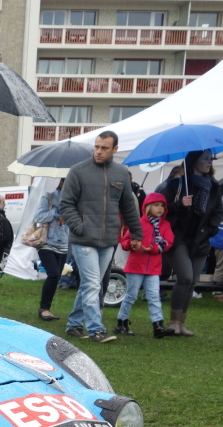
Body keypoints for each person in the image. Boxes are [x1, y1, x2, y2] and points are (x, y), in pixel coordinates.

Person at [59, 131, 143, 343]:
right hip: (83, 239)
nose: (98, 151)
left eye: (104, 148)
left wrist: (137, 233)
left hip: (108, 240)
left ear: (115, 149)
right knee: (93, 284)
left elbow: (128, 206)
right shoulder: (78, 171)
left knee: (91, 283)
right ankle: (96, 329)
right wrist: (79, 227)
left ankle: (74, 324)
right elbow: (65, 204)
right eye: (96, 146)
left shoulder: (121, 172)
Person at [158, 150, 223, 336]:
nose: (209, 162)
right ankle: (173, 322)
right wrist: (179, 204)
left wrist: (212, 229)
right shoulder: (177, 184)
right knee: (185, 277)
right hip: (179, 238)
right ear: (194, 161)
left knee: (192, 282)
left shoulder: (213, 186)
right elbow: (161, 208)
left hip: (201, 239)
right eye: (205, 158)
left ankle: (181, 323)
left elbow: (218, 210)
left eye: (210, 159)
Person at [115, 193, 174, 338]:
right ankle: (121, 322)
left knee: (154, 296)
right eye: (156, 205)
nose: (160, 208)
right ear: (147, 207)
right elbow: (125, 242)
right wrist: (132, 244)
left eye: (162, 206)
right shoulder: (139, 223)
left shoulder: (165, 225)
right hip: (136, 266)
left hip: (153, 267)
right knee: (131, 296)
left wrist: (151, 249)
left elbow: (167, 243)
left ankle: (158, 325)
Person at [33, 179, 71, 321]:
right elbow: (38, 216)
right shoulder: (48, 197)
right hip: (46, 242)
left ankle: (47, 308)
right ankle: (43, 309)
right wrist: (56, 212)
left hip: (63, 244)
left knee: (56, 277)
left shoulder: (73, 200)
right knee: (53, 274)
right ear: (61, 183)